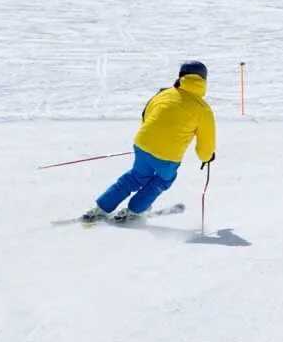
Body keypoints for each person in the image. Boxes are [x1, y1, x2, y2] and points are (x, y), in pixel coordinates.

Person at [85, 61, 217, 223]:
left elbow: (146, 114)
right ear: (203, 80)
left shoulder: (165, 93)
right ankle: (135, 209)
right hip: (168, 157)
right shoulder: (203, 110)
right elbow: (205, 146)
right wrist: (206, 157)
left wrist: (151, 139)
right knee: (163, 180)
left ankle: (102, 207)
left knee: (135, 177)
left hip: (143, 143)